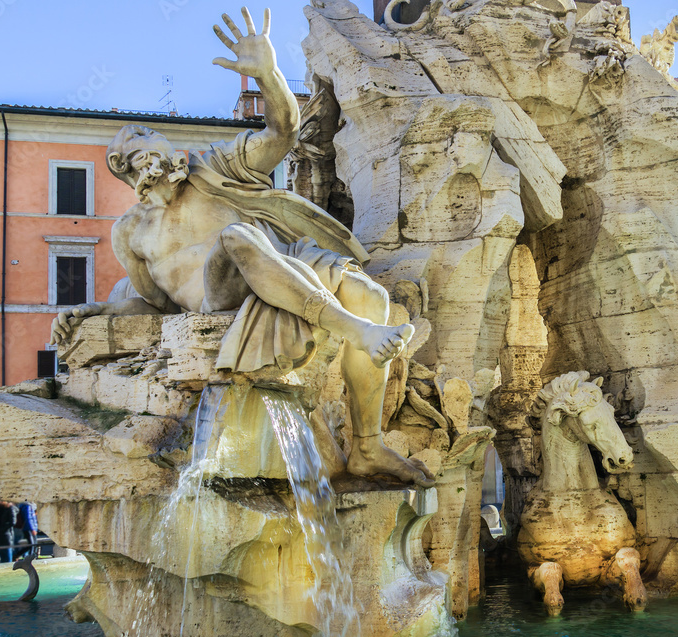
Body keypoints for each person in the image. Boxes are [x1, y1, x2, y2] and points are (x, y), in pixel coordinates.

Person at [50, 8, 432, 488]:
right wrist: (95, 310)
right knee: (235, 238)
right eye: (139, 146)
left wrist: (269, 76)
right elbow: (152, 305)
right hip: (220, 299)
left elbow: (282, 134)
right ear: (123, 168)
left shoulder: (215, 169)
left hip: (283, 265)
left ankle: (368, 447)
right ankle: (355, 330)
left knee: (371, 298)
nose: (155, 149)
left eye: (153, 138)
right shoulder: (131, 232)